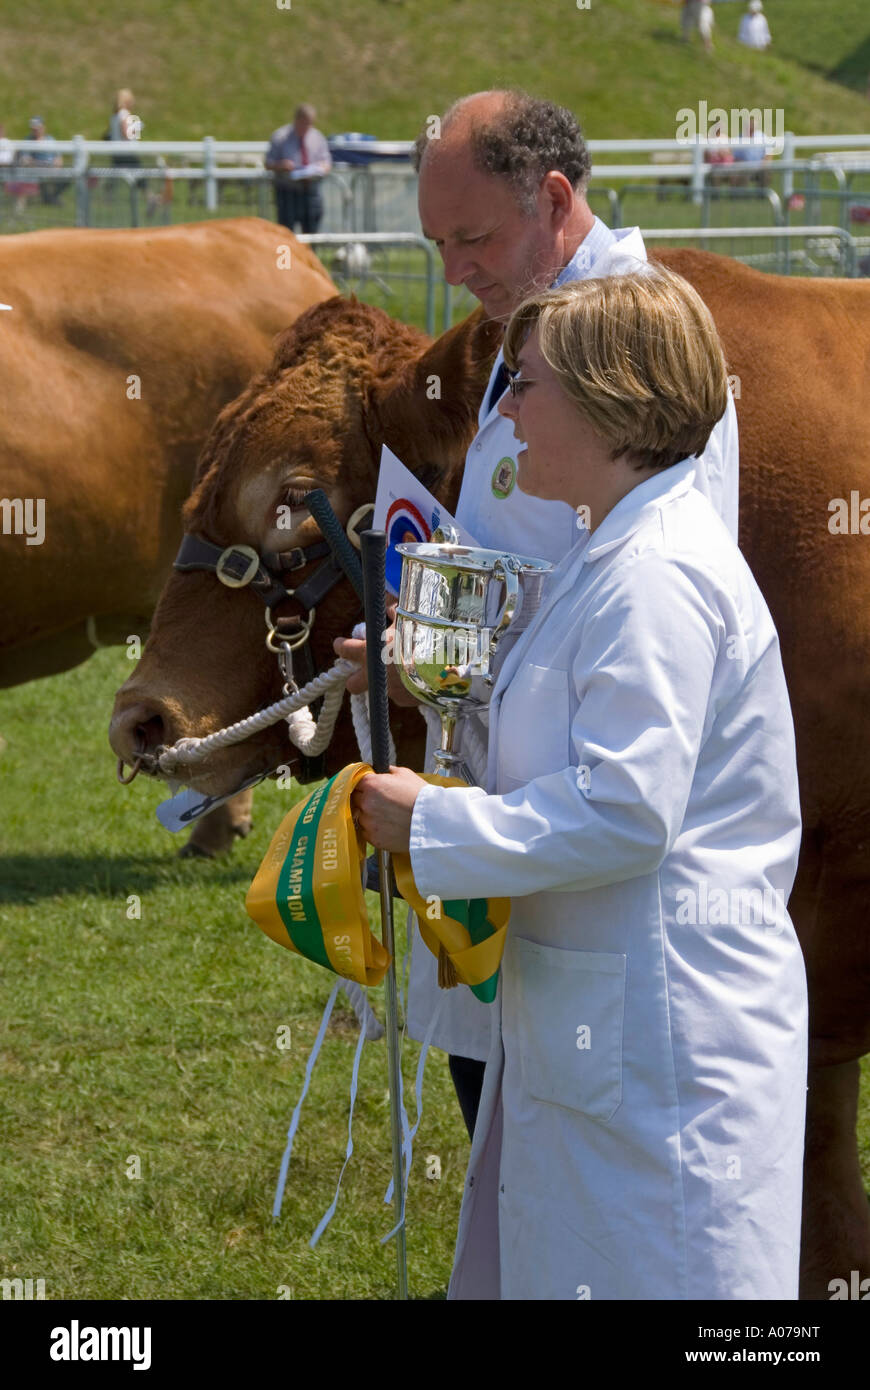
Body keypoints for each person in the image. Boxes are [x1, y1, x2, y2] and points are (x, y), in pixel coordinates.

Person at [351, 264, 808, 1299]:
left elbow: (626, 809)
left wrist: (434, 829)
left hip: (663, 1046)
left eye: (527, 385)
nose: (506, 411)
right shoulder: (613, 554)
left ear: (616, 401)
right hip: (600, 1027)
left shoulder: (657, 576)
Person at [335, 90, 740, 1141]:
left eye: (471, 235)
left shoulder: (631, 347)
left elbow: (642, 602)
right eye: (436, 241)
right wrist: (419, 642)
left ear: (555, 199)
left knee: (574, 1183)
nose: (453, 268)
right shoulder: (531, 335)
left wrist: (444, 815)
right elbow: (527, 575)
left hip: (577, 858)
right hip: (504, 832)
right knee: (508, 1163)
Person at [265, 103, 331, 233]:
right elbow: (268, 163)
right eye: (304, 123)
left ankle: (308, 253)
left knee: (312, 232)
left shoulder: (317, 137)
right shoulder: (280, 137)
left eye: (310, 123)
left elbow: (327, 162)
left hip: (311, 191)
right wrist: (281, 165)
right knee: (286, 233)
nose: (307, 127)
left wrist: (322, 167)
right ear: (297, 120)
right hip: (287, 191)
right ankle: (286, 255)